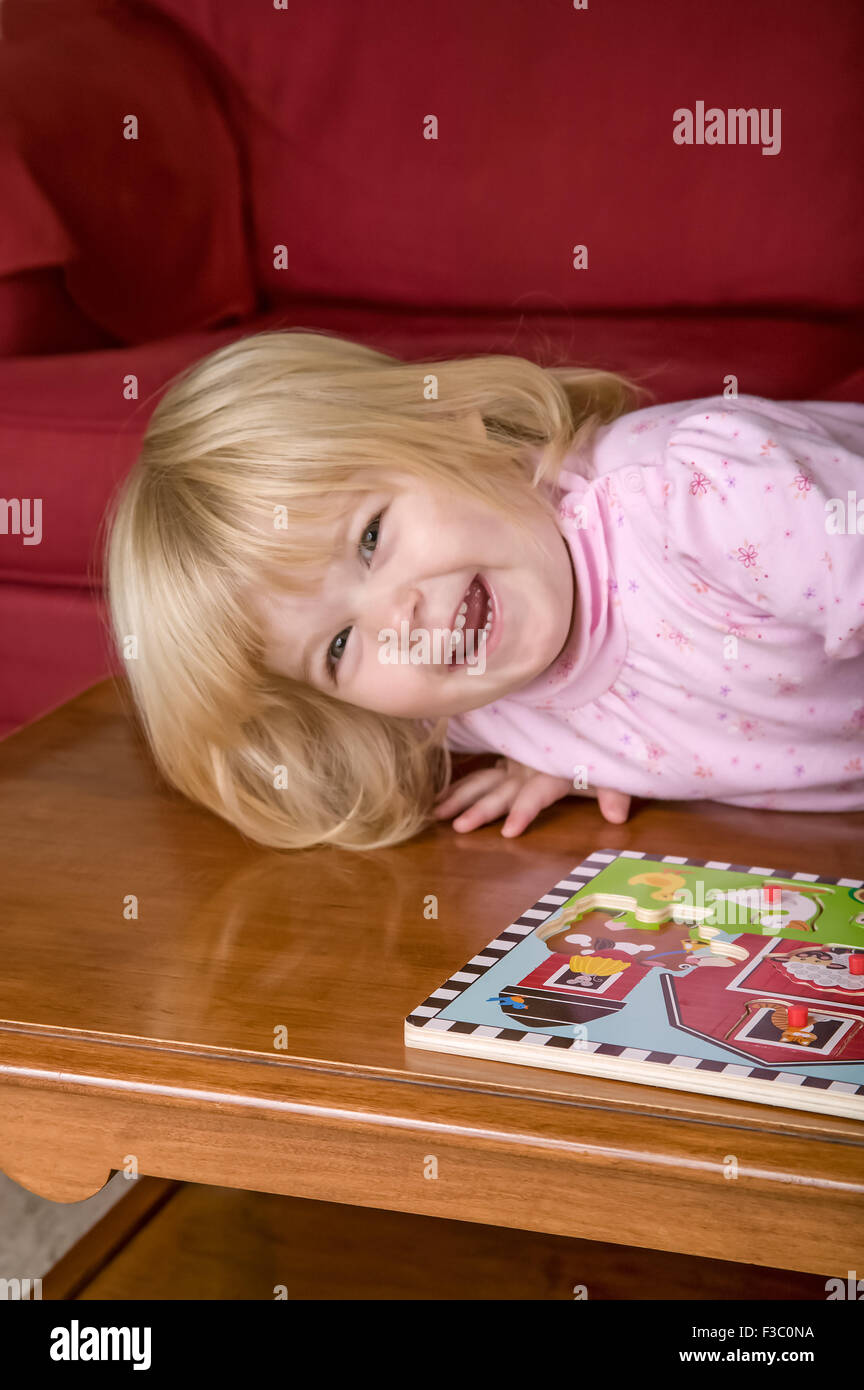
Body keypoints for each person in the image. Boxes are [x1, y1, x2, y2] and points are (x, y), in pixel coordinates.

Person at [105, 331, 864, 850]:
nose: (394, 619)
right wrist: (565, 753)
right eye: (338, 647)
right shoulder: (481, 704)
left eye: (371, 538)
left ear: (455, 427)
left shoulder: (699, 498)